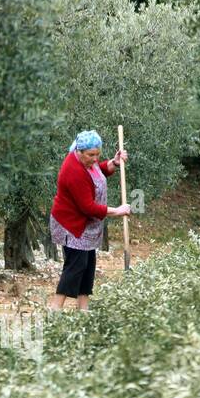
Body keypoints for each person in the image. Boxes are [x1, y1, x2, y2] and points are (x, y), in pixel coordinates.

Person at [47, 129, 130, 311]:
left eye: (97, 154)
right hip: (71, 225)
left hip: (85, 226)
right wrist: (118, 210)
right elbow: (88, 207)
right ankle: (54, 310)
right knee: (75, 267)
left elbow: (97, 171)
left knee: (87, 267)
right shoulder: (73, 171)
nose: (94, 159)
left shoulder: (86, 163)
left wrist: (113, 163)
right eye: (91, 155)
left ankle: (83, 311)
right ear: (79, 151)